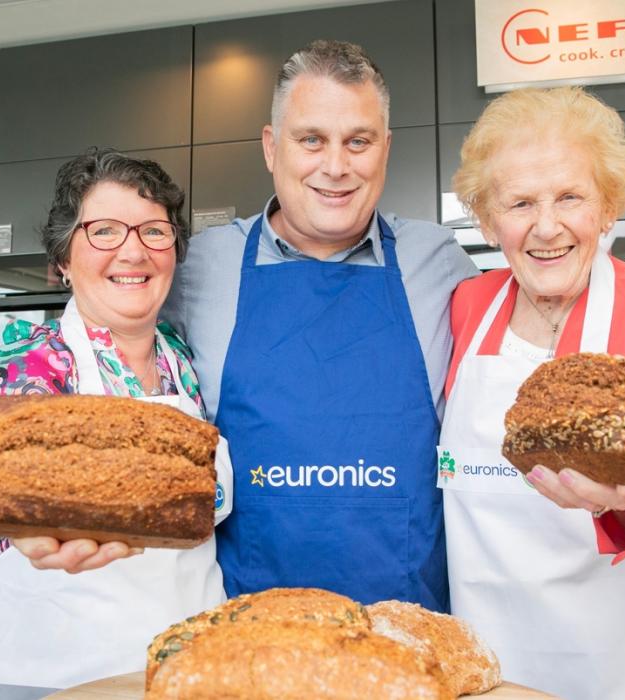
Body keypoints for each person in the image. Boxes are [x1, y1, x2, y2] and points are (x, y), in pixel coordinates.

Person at [164, 40, 477, 611]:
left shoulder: (438, 261)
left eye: (358, 141)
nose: (336, 166)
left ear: (385, 148)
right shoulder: (201, 267)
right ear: (270, 146)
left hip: (406, 632)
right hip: (244, 634)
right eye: (311, 139)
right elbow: (117, 373)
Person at [441, 86, 625, 699]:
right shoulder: (468, 305)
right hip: (498, 650)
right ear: (489, 222)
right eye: (519, 203)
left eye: (570, 196)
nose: (547, 227)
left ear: (608, 206)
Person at [0, 148, 231, 690]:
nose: (133, 252)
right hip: (58, 673)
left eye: (154, 231)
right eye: (104, 231)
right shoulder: (35, 366)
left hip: (185, 666)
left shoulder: (184, 357)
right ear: (64, 259)